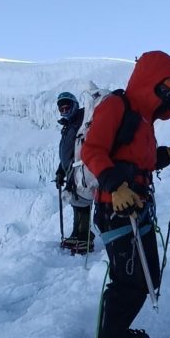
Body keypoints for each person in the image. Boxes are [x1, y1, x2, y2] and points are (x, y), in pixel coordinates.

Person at [81, 51, 170, 338]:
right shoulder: (117, 106)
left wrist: (169, 153)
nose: (167, 97)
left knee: (144, 277)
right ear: (149, 81)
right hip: (115, 209)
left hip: (138, 207)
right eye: (164, 90)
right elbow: (93, 150)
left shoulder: (144, 121)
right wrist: (116, 186)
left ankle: (117, 332)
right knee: (130, 281)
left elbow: (141, 163)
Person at [54, 91, 95, 253]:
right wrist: (60, 172)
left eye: (67, 107)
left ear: (75, 105)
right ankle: (77, 234)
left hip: (80, 169)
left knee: (82, 202)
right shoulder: (69, 125)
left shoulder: (82, 122)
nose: (65, 110)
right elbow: (66, 153)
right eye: (62, 109)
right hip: (71, 170)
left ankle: (85, 237)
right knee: (75, 202)